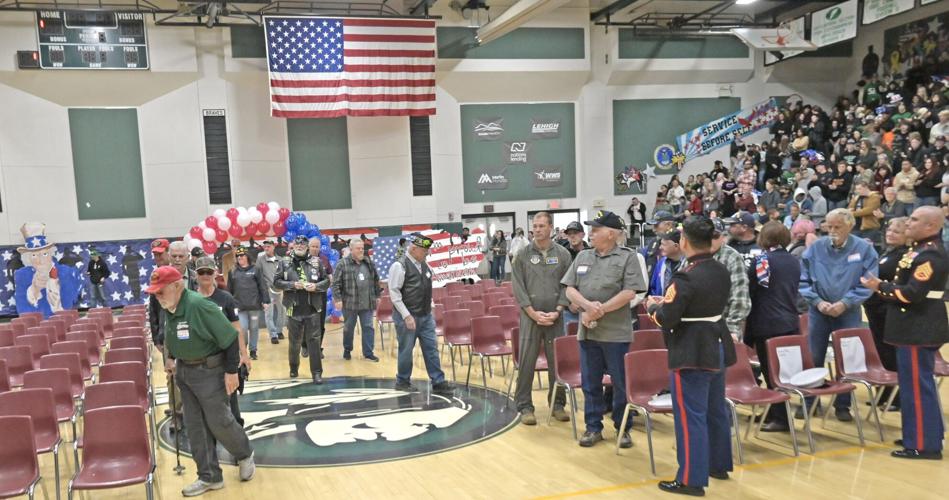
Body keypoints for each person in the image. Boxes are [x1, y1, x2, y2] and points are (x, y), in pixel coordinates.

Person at [646, 216, 735, 496]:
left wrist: (652, 309)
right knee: (714, 409)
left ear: (684, 242)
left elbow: (667, 318)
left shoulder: (686, 276)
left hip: (691, 351)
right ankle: (718, 465)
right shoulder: (721, 269)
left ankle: (690, 479)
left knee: (690, 416)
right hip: (717, 343)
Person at [150, 266, 256, 497]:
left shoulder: (199, 305)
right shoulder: (171, 306)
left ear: (177, 286)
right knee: (195, 426)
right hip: (185, 372)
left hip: (209, 371)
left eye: (161, 291)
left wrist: (231, 372)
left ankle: (244, 453)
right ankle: (209, 477)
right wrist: (170, 358)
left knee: (219, 421)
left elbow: (229, 338)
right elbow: (173, 334)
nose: (157, 297)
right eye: (155, 293)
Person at [861, 206, 947, 460]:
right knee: (914, 386)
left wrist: (880, 286)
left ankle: (923, 444)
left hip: (917, 328)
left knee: (918, 388)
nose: (908, 223)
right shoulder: (919, 249)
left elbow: (911, 293)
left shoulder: (930, 255)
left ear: (931, 226)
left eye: (915, 219)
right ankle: (921, 435)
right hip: (911, 328)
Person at [561, 211, 647, 448]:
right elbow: (569, 289)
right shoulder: (583, 256)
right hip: (588, 332)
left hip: (616, 333)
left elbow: (631, 292)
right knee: (590, 383)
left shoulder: (628, 257)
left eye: (596, 229)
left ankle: (623, 428)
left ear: (611, 234)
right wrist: (588, 307)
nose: (591, 233)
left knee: (620, 383)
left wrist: (601, 310)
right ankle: (593, 427)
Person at [799, 208, 879, 421]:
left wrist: (846, 303)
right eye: (829, 226)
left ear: (850, 226)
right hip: (819, 312)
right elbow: (803, 280)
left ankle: (843, 405)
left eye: (837, 227)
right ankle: (809, 401)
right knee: (813, 356)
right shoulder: (815, 248)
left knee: (847, 358)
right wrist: (817, 302)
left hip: (848, 312)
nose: (832, 231)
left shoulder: (864, 249)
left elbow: (869, 282)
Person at [511, 212, 572, 425]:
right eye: (534, 226)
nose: (537, 229)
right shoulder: (522, 254)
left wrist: (558, 310)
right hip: (530, 317)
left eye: (541, 226)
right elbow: (518, 286)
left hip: (556, 315)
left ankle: (557, 404)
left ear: (551, 228)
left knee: (557, 361)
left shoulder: (563, 254)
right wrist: (532, 312)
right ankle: (525, 406)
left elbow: (568, 285)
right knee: (527, 361)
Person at [744, 222, 801, 433]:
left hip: (767, 323)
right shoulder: (793, 260)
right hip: (790, 322)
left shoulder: (763, 261)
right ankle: (774, 411)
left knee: (772, 373)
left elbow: (755, 290)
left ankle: (781, 418)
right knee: (782, 372)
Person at [388, 233, 453, 394]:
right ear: (413, 248)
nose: (427, 253)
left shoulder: (425, 265)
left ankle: (438, 381)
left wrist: (430, 306)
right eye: (424, 250)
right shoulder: (399, 265)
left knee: (431, 348)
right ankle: (402, 381)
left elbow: (426, 288)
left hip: (425, 316)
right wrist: (406, 316)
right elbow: (394, 294)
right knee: (406, 349)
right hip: (407, 317)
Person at [194, 256, 250, 426]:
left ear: (215, 273)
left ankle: (237, 430)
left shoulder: (226, 298)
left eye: (208, 272)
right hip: (200, 359)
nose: (205, 275)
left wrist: (244, 354)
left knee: (230, 395)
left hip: (224, 356)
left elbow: (236, 329)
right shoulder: (190, 299)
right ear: (195, 275)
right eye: (201, 272)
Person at [861, 217, 909, 412]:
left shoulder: (904, 256)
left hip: (888, 309)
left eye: (896, 232)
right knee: (881, 351)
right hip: (875, 309)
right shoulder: (886, 253)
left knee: (891, 352)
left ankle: (896, 397)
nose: (890, 233)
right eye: (889, 230)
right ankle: (885, 392)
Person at [274, 235, 329, 383]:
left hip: (313, 308)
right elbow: (276, 282)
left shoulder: (317, 262)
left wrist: (316, 287)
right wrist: (292, 285)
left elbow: (327, 281)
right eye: (297, 245)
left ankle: (317, 373)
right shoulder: (284, 262)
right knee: (294, 342)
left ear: (307, 247)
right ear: (293, 246)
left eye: (302, 245)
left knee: (314, 342)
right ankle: (293, 368)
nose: (299, 246)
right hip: (293, 309)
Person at [332, 238, 382, 362]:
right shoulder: (342, 264)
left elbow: (376, 280)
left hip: (367, 302)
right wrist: (337, 299)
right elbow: (336, 284)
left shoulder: (369, 262)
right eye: (358, 248)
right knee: (349, 328)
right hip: (350, 303)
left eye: (362, 248)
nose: (361, 251)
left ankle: (368, 353)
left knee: (368, 327)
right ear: (351, 249)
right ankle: (347, 349)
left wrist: (377, 296)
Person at [711, 219, 751, 341]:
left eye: (714, 236)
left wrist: (732, 329)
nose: (709, 240)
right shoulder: (691, 256)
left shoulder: (732, 257)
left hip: (722, 328)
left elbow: (740, 297)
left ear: (723, 236)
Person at [227, 247, 270, 361]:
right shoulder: (232, 271)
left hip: (254, 306)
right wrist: (228, 305)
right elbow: (229, 290)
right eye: (238, 256)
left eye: (242, 255)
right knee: (243, 329)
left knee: (254, 328)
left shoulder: (256, 269)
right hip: (239, 307)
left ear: (247, 257)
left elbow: (262, 286)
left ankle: (253, 350)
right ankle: (243, 349)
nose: (240, 257)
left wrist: (265, 301)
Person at [255, 240, 285, 345]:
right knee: (269, 313)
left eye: (268, 246)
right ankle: (273, 335)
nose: (266, 248)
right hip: (267, 290)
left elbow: (284, 274)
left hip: (280, 289)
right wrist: (263, 288)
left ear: (273, 247)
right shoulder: (260, 260)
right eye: (265, 247)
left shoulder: (281, 260)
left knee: (282, 310)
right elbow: (258, 275)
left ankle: (279, 331)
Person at [647, 230, 683, 297]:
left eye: (663, 245)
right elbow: (653, 287)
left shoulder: (689, 264)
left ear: (676, 246)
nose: (660, 247)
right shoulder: (661, 263)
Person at [849, 179, 882, 246]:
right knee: (855, 246)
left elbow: (868, 210)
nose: (858, 191)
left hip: (869, 226)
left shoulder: (874, 196)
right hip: (856, 226)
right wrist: (853, 201)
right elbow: (850, 208)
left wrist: (853, 213)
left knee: (866, 246)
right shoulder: (857, 197)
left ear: (866, 187)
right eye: (857, 189)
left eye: (860, 189)